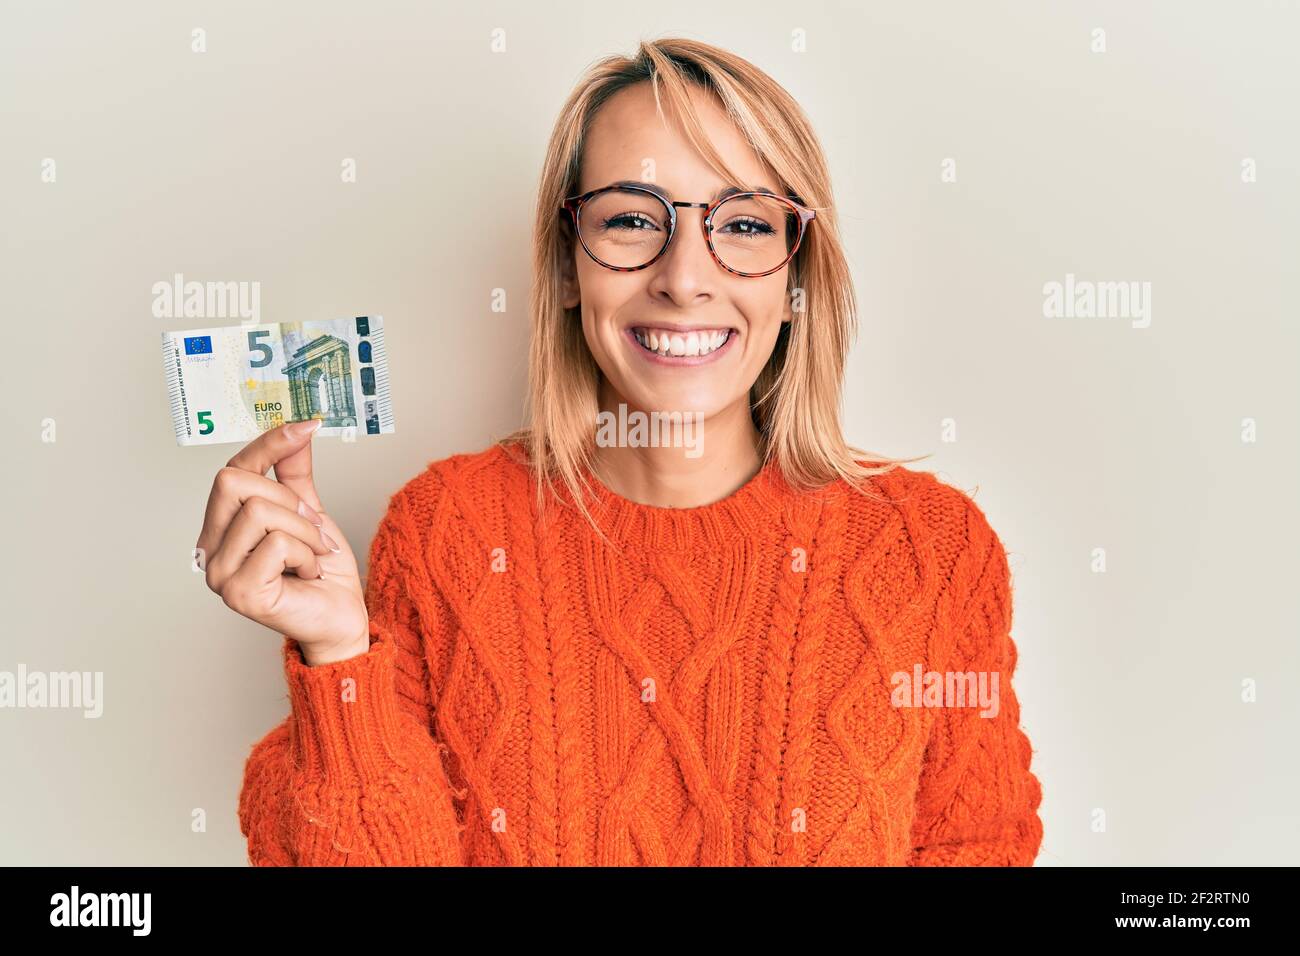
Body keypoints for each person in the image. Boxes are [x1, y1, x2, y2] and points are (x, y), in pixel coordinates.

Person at [199, 37, 1043, 866]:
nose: (684, 276)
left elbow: (980, 848)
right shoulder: (446, 533)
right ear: (568, 271)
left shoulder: (930, 553)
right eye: (633, 218)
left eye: (744, 223)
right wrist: (337, 655)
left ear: (795, 282)